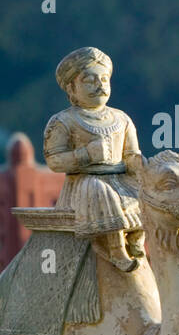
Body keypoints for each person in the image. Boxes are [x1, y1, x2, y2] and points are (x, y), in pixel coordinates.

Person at [43, 47, 145, 273]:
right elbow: (54, 160)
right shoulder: (64, 121)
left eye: (104, 79)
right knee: (99, 189)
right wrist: (86, 154)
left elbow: (130, 154)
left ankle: (137, 237)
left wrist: (140, 166)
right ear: (71, 88)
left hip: (119, 177)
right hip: (84, 184)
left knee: (146, 187)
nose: (99, 85)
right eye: (89, 80)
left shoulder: (121, 119)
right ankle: (117, 249)